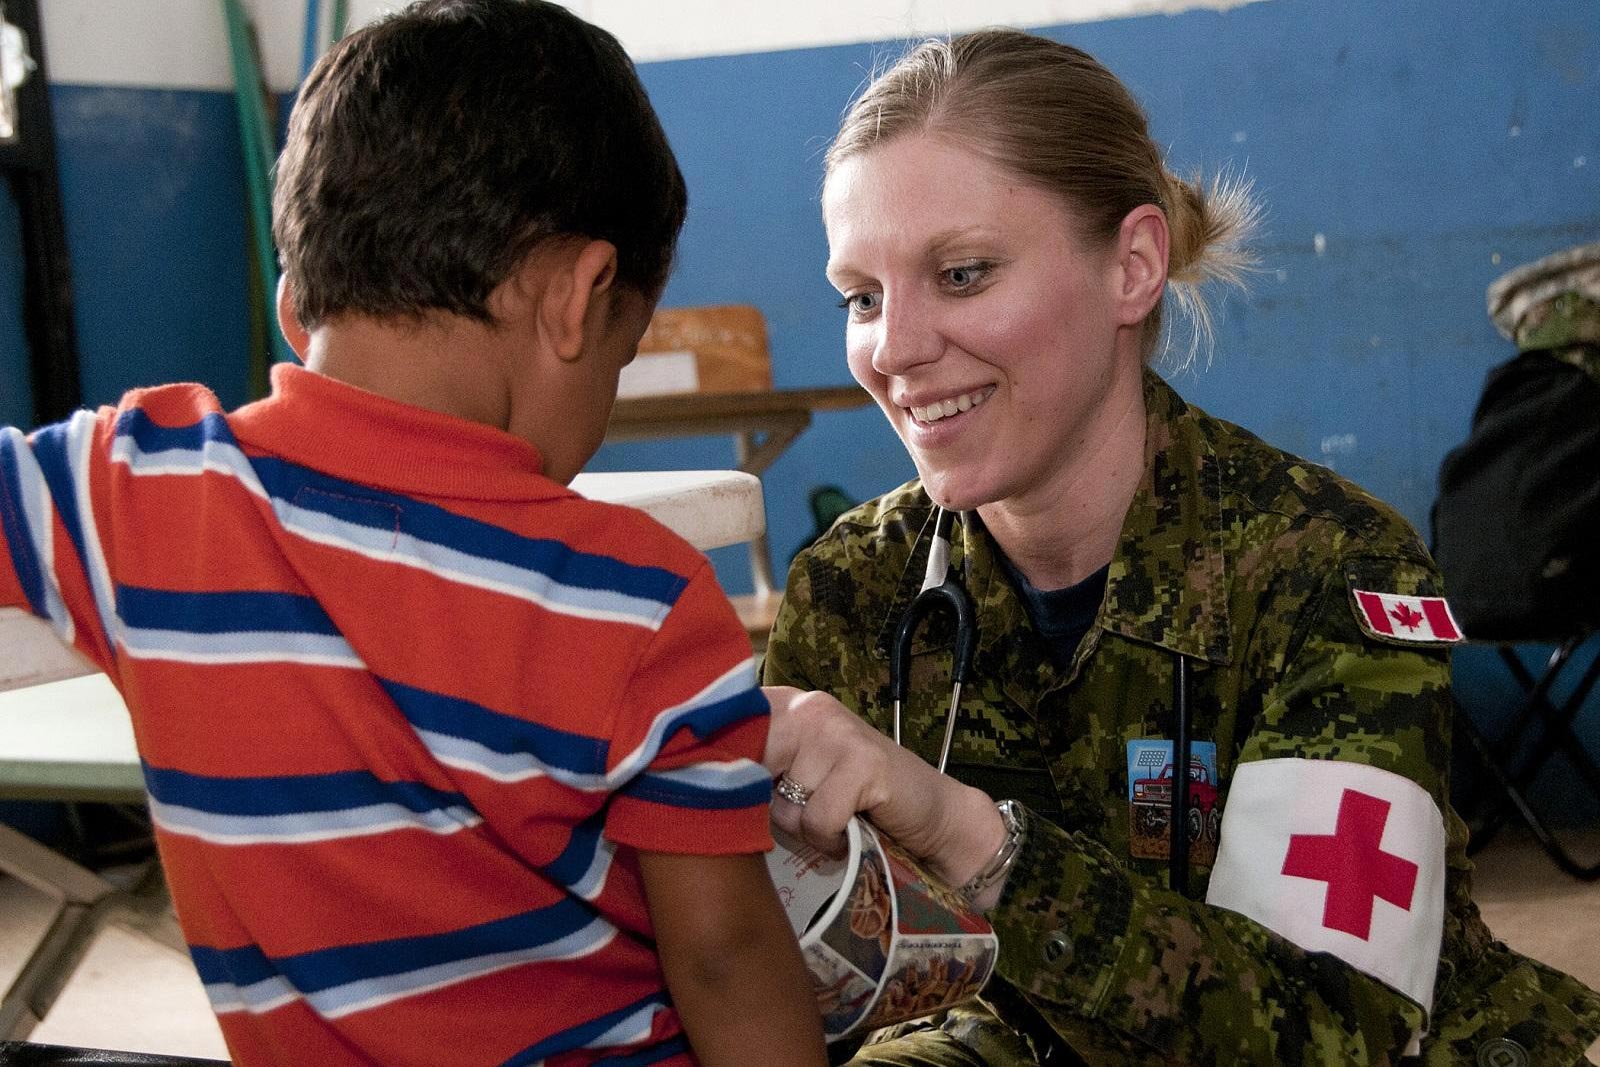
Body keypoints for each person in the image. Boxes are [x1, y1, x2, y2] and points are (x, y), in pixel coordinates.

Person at [0, 3, 826, 1065]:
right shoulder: (643, 601)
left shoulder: (136, 488)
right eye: (619, 361)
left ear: (299, 304)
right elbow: (725, 958)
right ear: (580, 299)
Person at [759, 28, 1600, 1066]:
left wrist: (965, 838)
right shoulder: (858, 588)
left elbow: (1332, 1031)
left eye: (963, 273)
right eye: (862, 296)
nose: (892, 349)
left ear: (1132, 265)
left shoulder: (1323, 570)